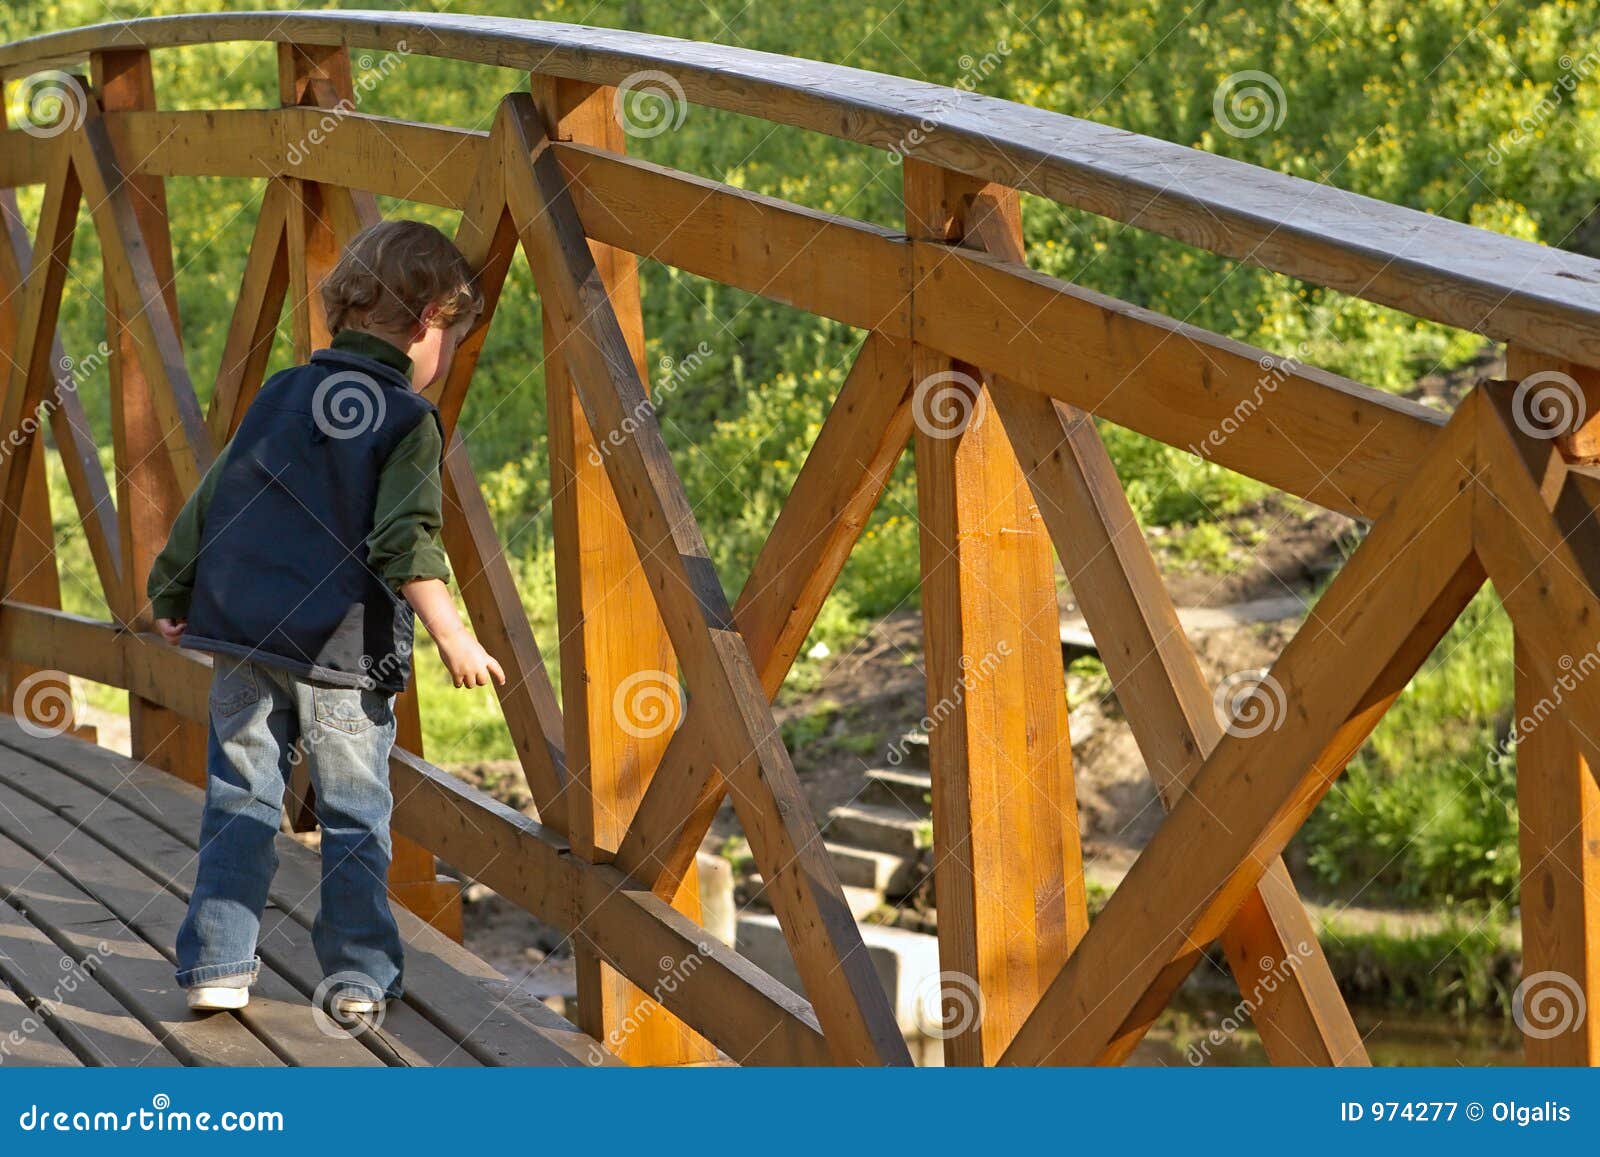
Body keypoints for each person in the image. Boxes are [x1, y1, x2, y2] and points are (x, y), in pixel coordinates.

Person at [148, 220, 505, 1017]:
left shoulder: (281, 391)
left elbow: (214, 496)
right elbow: (403, 541)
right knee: (353, 812)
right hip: (347, 652)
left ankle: (216, 963)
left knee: (241, 794)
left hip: (244, 634)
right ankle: (356, 976)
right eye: (449, 336)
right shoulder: (407, 420)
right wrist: (454, 633)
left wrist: (172, 589)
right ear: (424, 325)